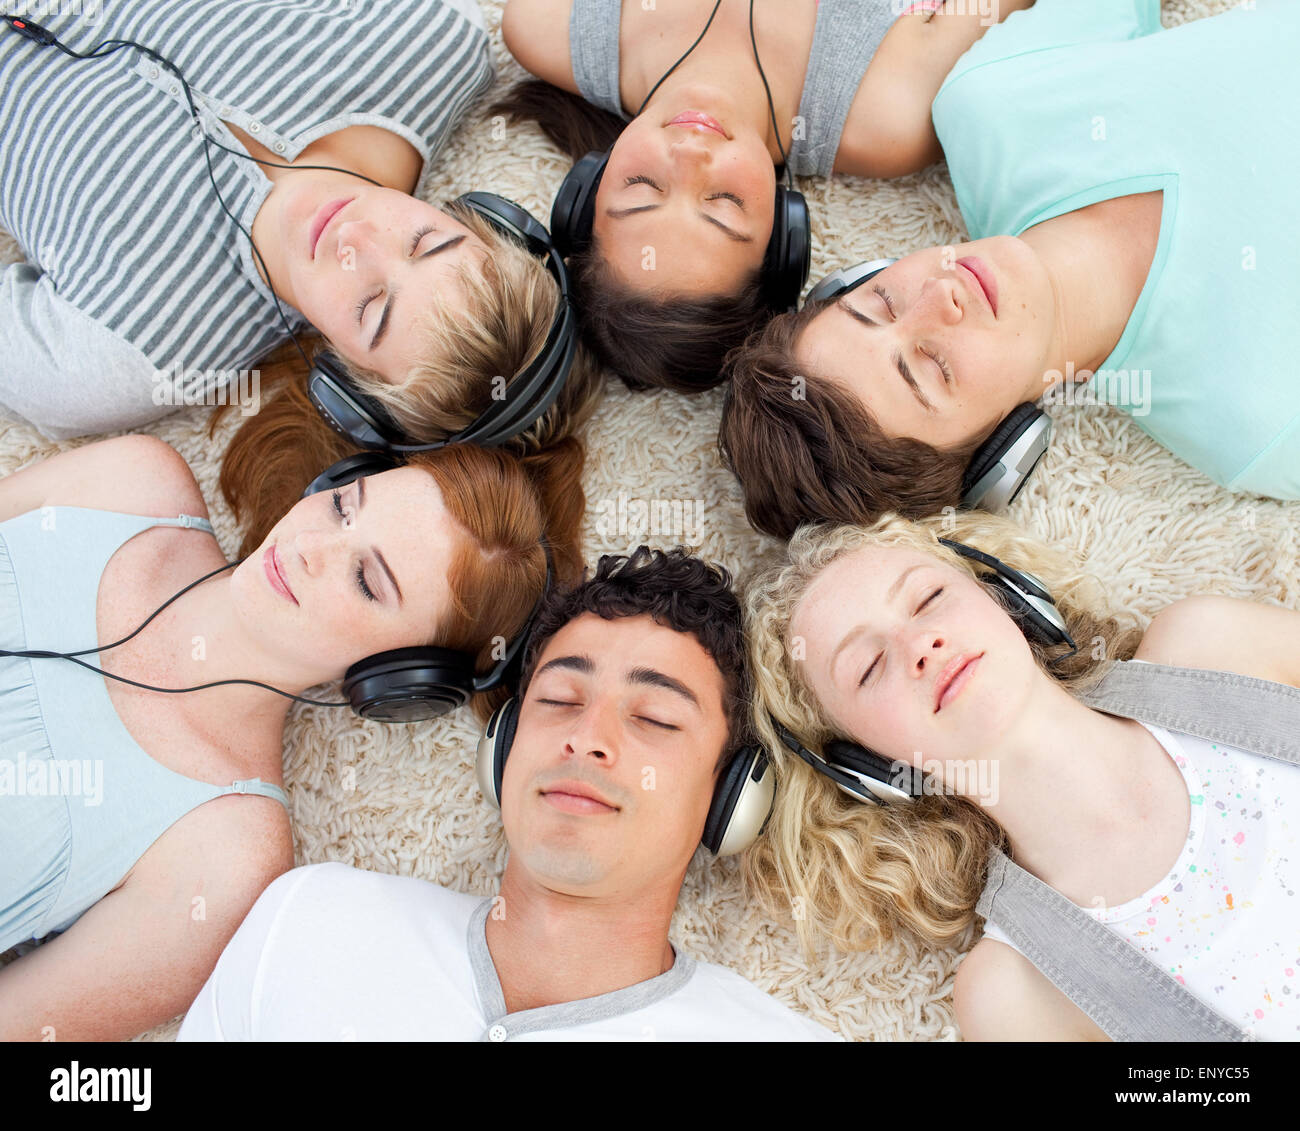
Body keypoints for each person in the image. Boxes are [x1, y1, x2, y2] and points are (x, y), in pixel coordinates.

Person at [0, 427, 582, 1041]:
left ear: (395, 681)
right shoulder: (133, 483)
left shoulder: (222, 860)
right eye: (342, 506)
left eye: (367, 580)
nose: (310, 546)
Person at [177, 546, 839, 1041]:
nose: (586, 737)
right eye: (559, 699)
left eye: (655, 719)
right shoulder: (308, 922)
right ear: (503, 749)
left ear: (731, 801)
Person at [720, 0, 1300, 539]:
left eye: (883, 303)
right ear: (999, 450)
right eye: (933, 366)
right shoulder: (1258, 426)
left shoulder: (992, 101)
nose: (938, 298)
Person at [742, 512, 1300, 1040]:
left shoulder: (1211, 646)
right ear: (861, 766)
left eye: (929, 598)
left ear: (1009, 596)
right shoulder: (1012, 993)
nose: (920, 646)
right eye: (867, 667)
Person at [0, 0, 598, 450]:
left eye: (370, 308)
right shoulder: (423, 39)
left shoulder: (126, 357)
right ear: (482, 217)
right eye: (425, 242)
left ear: (346, 380)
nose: (356, 239)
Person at [496, 0, 1034, 393]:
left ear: (588, 186)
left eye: (641, 187)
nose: (689, 155)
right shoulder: (889, 113)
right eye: (725, 202)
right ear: (783, 229)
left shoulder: (550, 22)